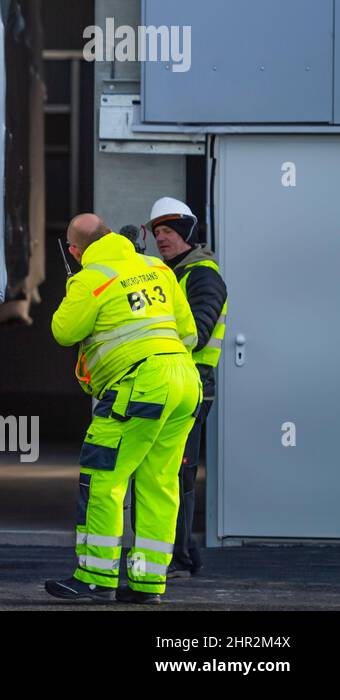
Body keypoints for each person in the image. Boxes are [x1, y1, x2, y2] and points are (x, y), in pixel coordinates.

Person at [45, 214, 201, 604]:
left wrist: (74, 287)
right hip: (183, 381)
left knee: (103, 479)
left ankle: (96, 577)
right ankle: (148, 584)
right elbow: (190, 332)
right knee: (160, 484)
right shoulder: (155, 268)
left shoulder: (89, 278)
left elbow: (64, 331)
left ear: (75, 251)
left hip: (140, 386)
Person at [148, 197, 227, 577]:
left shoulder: (202, 275)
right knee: (168, 473)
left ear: (186, 234)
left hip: (192, 387)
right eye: (156, 232)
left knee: (178, 473)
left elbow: (199, 328)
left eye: (168, 231)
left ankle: (177, 556)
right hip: (173, 384)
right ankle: (183, 552)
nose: (160, 238)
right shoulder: (169, 274)